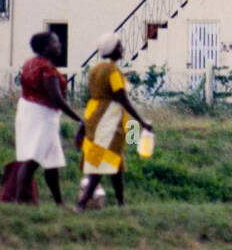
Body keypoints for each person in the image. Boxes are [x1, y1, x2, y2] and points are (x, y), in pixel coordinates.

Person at [75, 33, 152, 211]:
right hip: (108, 119)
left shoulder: (95, 69)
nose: (122, 49)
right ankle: (81, 204)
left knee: (115, 162)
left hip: (94, 115)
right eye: (119, 46)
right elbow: (121, 97)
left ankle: (121, 203)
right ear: (114, 50)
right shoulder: (113, 70)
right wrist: (141, 121)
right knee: (101, 163)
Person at [14, 30, 84, 207]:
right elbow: (56, 98)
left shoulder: (30, 63)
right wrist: (79, 119)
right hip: (42, 115)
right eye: (55, 42)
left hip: (30, 110)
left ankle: (59, 203)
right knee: (34, 159)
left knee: (52, 160)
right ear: (46, 47)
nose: (59, 45)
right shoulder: (47, 68)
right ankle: (21, 200)